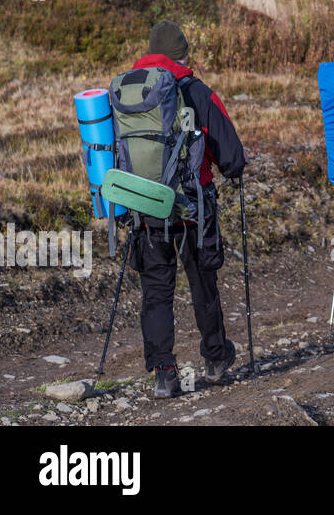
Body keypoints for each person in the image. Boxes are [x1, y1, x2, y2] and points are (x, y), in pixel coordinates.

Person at [122, 21, 247, 398]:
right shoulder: (196, 90)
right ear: (183, 54)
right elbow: (233, 157)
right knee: (202, 280)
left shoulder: (127, 92)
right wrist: (231, 171)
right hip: (194, 205)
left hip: (144, 205)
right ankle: (214, 358)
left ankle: (163, 373)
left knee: (156, 291)